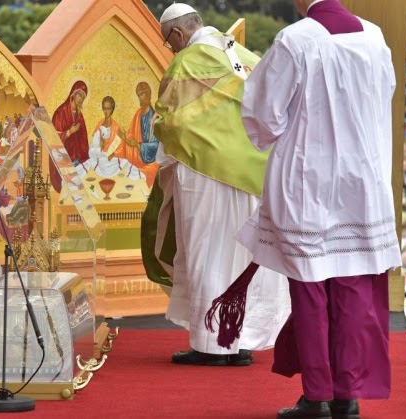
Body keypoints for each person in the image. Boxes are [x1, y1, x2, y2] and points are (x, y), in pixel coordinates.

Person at [208, 1, 401, 418]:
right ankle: (347, 398)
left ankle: (317, 396)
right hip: (362, 181)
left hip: (308, 180)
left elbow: (265, 118)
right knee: (352, 290)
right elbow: (383, 97)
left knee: (311, 292)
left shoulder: (295, 40)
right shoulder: (374, 37)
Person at [143, 3, 290, 368]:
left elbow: (170, 122)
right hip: (252, 173)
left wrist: (157, 134)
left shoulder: (188, 61)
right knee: (241, 255)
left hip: (206, 172)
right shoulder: (240, 53)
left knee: (207, 251)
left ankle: (211, 345)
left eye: (168, 44)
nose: (171, 51)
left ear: (177, 35)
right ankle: (237, 341)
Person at [50, 80, 89, 192]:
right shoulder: (60, 113)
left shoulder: (79, 116)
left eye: (83, 97)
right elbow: (53, 140)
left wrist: (84, 157)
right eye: (80, 95)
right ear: (73, 93)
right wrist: (69, 132)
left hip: (77, 159)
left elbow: (83, 140)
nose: (81, 99)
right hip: (64, 160)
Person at [118, 82, 160, 187]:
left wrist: (137, 145)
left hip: (149, 161)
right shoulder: (138, 114)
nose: (140, 98)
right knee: (122, 166)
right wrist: (124, 137)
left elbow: (156, 146)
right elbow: (131, 135)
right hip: (136, 156)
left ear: (149, 95)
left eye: (142, 94)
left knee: (139, 175)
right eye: (138, 95)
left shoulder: (155, 119)